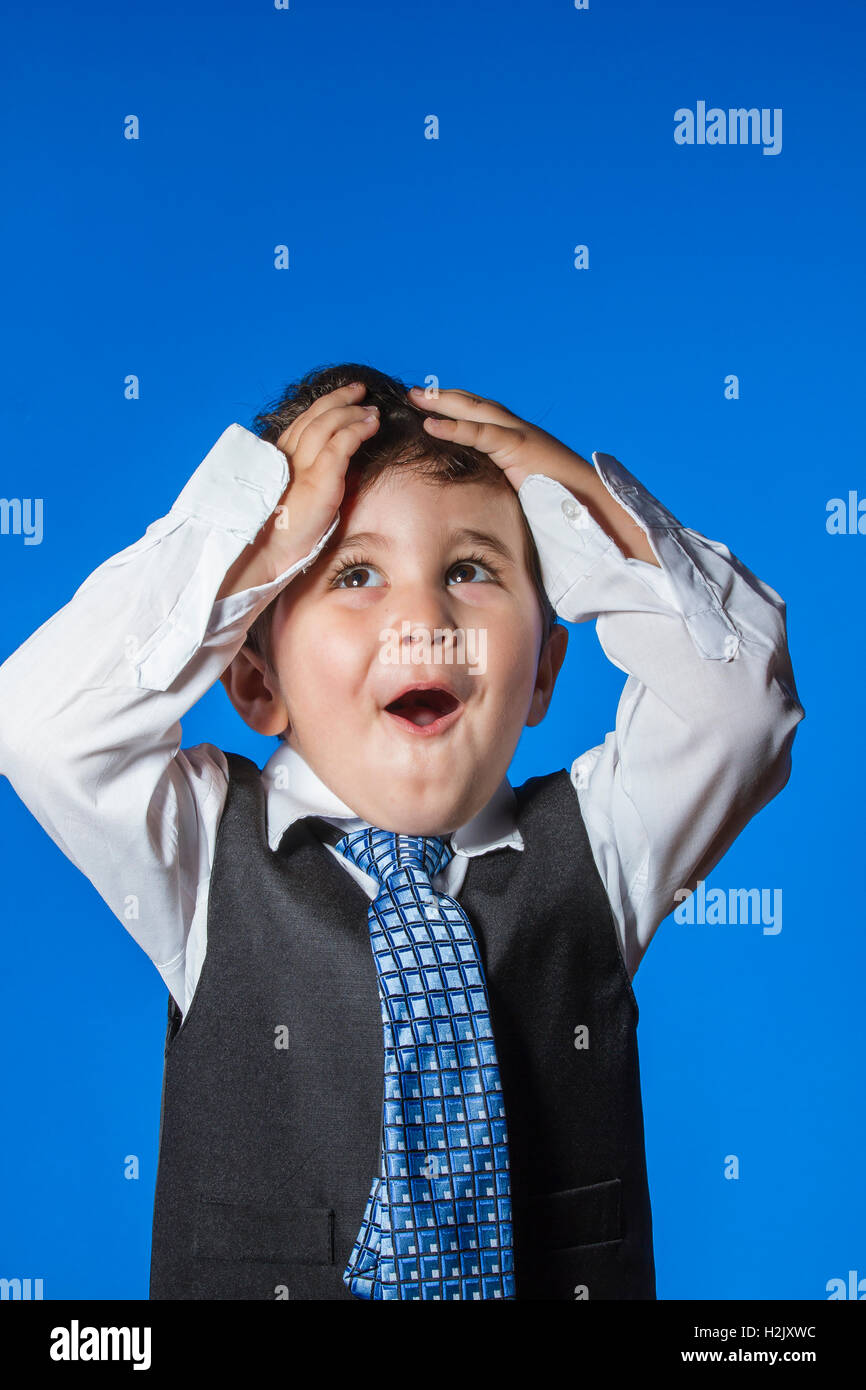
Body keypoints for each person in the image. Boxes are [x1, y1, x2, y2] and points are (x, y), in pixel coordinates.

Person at [0, 363, 804, 1300]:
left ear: (543, 673)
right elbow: (39, 728)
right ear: (255, 681)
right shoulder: (201, 856)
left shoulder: (607, 848)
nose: (424, 621)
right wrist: (250, 544)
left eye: (470, 570)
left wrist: (571, 499)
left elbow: (743, 706)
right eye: (354, 573)